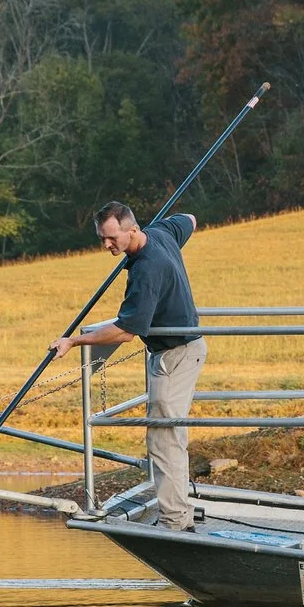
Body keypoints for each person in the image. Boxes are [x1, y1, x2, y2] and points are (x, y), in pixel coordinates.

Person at [49, 201, 206, 531]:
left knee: (164, 440)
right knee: (169, 436)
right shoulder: (162, 232)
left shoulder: (145, 271)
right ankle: (180, 515)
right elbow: (189, 219)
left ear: (131, 229)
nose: (107, 246)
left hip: (174, 356)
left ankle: (177, 524)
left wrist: (73, 341)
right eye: (102, 240)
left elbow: (125, 331)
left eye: (111, 238)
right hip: (184, 350)